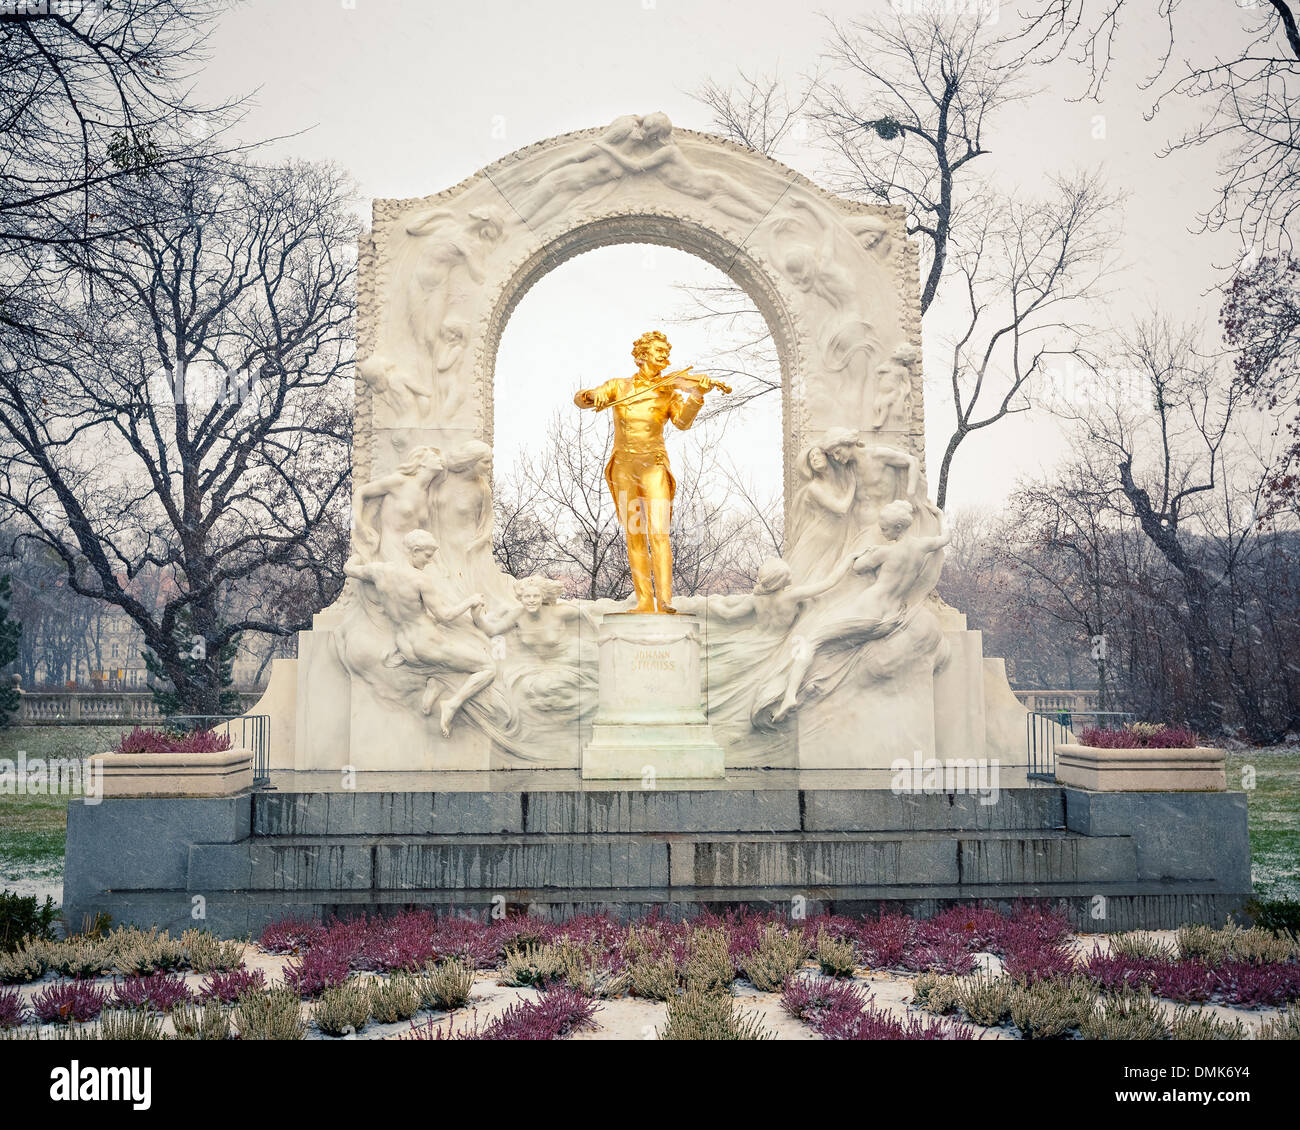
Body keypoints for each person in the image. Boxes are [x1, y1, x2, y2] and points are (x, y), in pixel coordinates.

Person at [573, 330, 727, 613]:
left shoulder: (668, 390)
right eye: (659, 350)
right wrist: (589, 395)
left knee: (659, 532)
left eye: (666, 352)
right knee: (634, 534)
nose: (665, 356)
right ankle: (644, 601)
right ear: (643, 354)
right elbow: (582, 400)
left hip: (653, 465)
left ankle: (665, 599)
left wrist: (696, 395)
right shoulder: (618, 387)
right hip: (624, 466)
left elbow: (682, 423)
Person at [343, 529, 492, 737]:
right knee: (488, 666)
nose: (430, 561)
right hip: (428, 644)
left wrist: (359, 554)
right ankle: (451, 704)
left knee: (452, 657)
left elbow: (349, 569)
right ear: (414, 551)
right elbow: (444, 615)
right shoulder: (420, 580)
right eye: (428, 555)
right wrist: (471, 600)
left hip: (405, 647)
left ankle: (435, 683)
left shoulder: (378, 571)